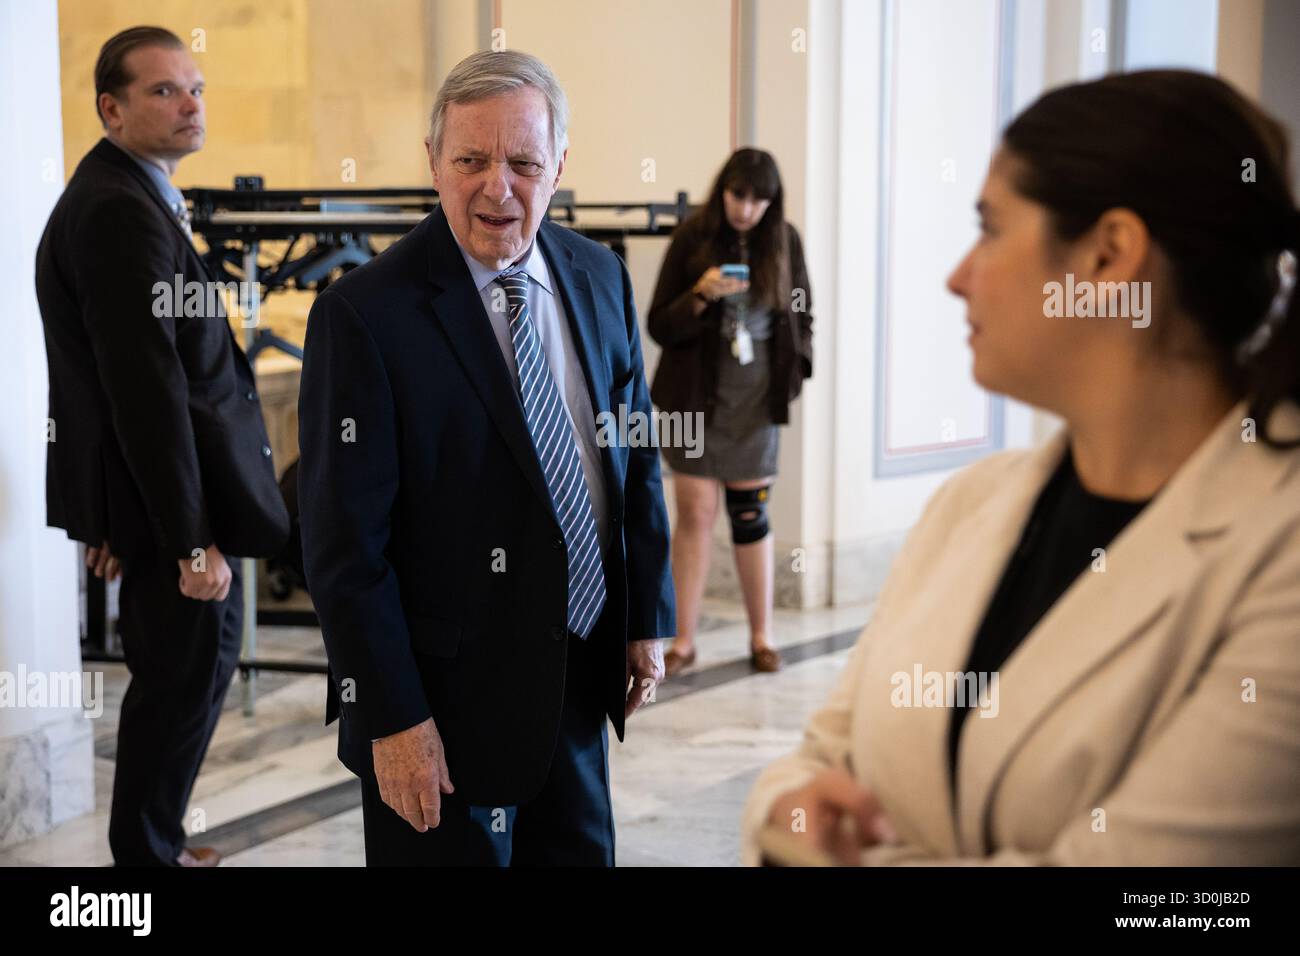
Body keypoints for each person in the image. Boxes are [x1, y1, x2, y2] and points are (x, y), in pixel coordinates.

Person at [742, 69, 1300, 866]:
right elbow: (818, 758)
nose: (958, 275)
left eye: (990, 228)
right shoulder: (971, 504)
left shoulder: (1279, 551)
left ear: (1110, 257)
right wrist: (791, 815)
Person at [297, 49, 676, 866]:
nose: (497, 187)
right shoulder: (363, 315)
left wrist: (646, 614)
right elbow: (342, 549)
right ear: (432, 161)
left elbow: (635, 453)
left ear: (560, 165)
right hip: (438, 706)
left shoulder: (600, 273)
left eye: (523, 162)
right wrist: (393, 718)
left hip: (576, 674)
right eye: (470, 159)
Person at [35, 26, 289, 867]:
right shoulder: (116, 211)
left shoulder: (127, 193)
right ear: (110, 109)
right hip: (171, 505)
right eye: (163, 92)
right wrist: (186, 539)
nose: (190, 105)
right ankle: (145, 860)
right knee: (182, 677)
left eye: (197, 88)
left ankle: (157, 843)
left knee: (194, 671)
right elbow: (144, 392)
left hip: (153, 497)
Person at [647, 149, 813, 676]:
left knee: (750, 517)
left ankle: (762, 637)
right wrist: (700, 294)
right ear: (724, 190)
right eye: (739, 195)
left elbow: (804, 311)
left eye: (759, 200)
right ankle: (683, 641)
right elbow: (658, 324)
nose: (746, 209)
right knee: (694, 515)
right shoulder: (691, 237)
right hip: (695, 399)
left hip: (755, 404)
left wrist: (799, 366)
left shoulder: (784, 241)